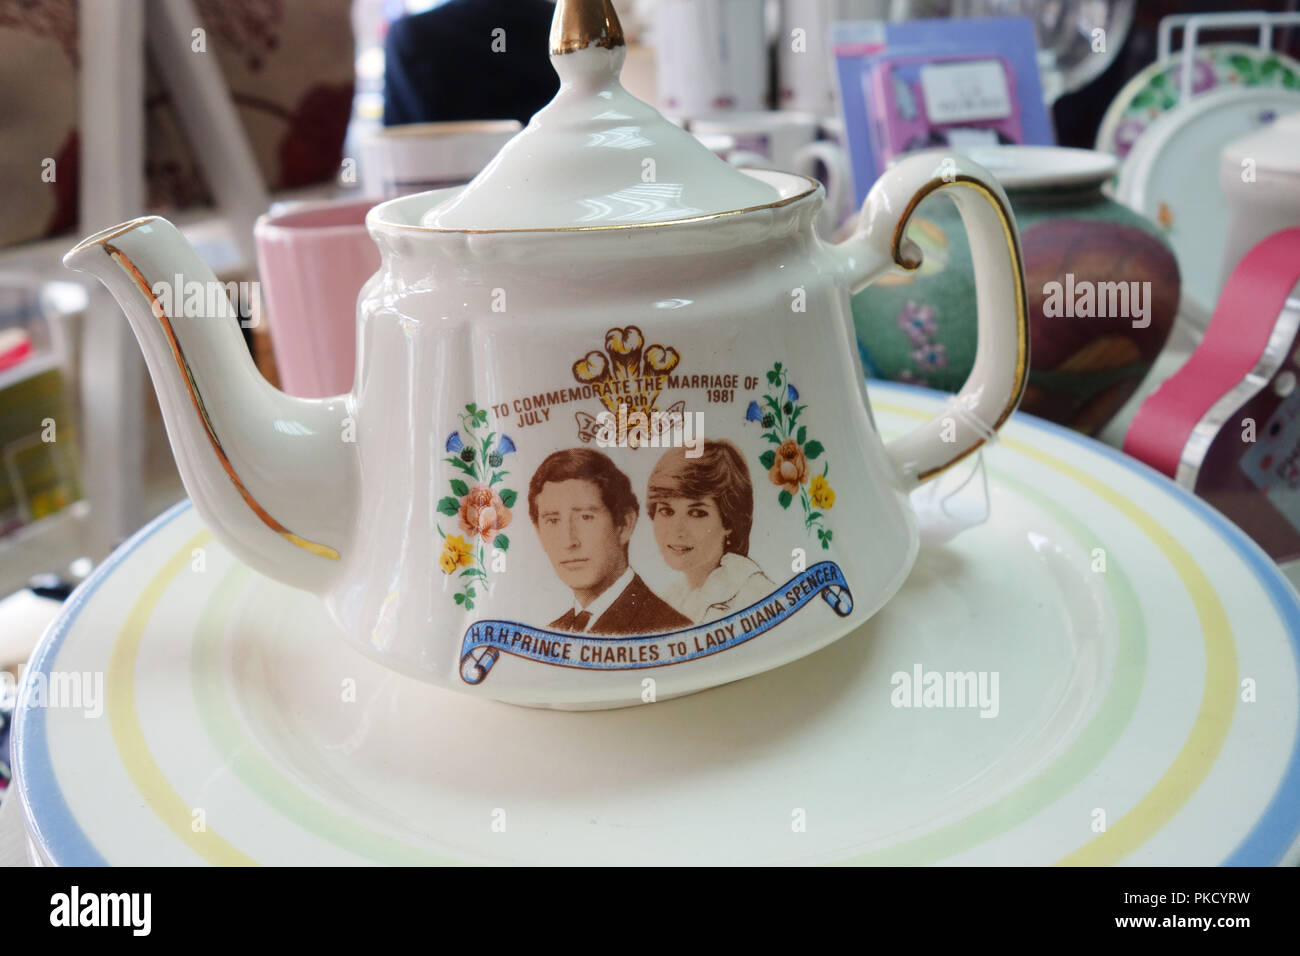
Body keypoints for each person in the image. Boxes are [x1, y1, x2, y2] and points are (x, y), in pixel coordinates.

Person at [529, 448, 691, 635]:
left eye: (585, 517)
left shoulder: (669, 628)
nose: (568, 541)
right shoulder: (554, 631)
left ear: (624, 525)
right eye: (553, 521)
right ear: (539, 532)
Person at [647, 441, 774, 624]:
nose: (677, 529)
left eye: (697, 513)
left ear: (728, 520)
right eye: (667, 511)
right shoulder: (673, 598)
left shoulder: (754, 595)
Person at [382, 0, 560, 127]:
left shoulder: (411, 35)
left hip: (447, 173)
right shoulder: (564, 31)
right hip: (556, 172)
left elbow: (395, 145)